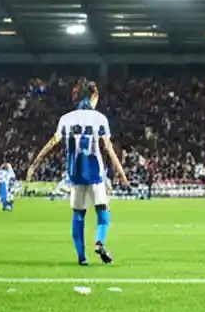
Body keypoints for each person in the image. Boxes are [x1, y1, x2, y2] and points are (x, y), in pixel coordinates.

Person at [28, 79, 130, 266]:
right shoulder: (100, 119)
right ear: (94, 96)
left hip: (75, 174)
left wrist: (35, 163)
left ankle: (82, 257)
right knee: (103, 214)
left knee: (78, 216)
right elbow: (108, 148)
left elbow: (52, 143)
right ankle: (99, 243)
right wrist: (122, 174)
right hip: (95, 173)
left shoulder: (66, 119)